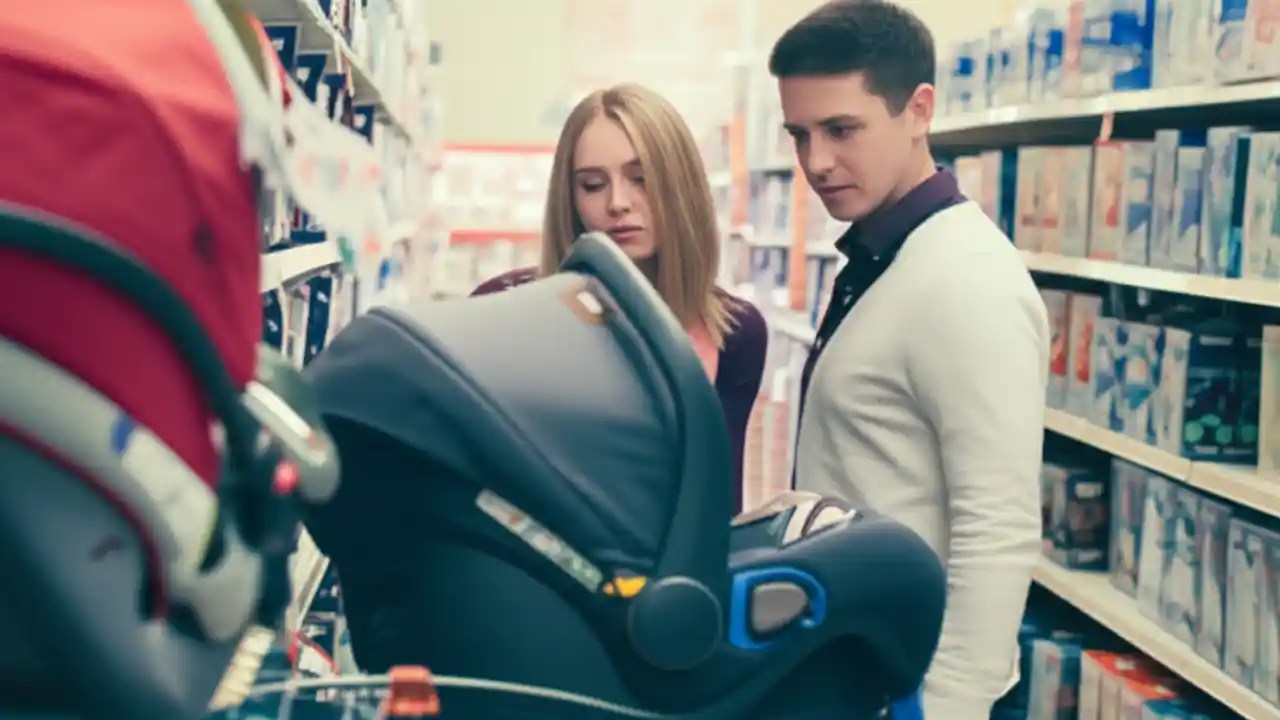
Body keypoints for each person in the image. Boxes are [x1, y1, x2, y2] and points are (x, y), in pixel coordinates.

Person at [769, 1, 1048, 717]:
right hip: (861, 671)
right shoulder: (884, 257)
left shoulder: (965, 279)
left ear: (918, 110)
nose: (816, 161)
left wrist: (948, 706)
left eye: (841, 129)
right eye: (799, 133)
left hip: (915, 688)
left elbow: (999, 524)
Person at [471, 83, 768, 514]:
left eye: (641, 179)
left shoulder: (735, 332)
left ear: (681, 185)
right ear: (569, 199)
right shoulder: (502, 307)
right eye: (592, 185)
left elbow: (718, 510)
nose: (617, 203)